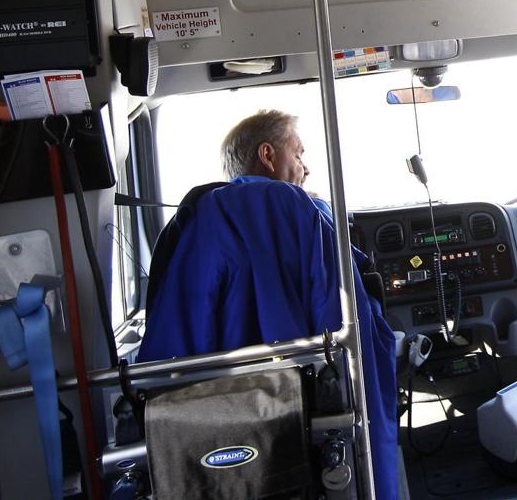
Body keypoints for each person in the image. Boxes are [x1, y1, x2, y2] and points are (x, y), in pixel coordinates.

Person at [138, 110, 399, 500]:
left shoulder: (203, 215)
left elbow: (177, 336)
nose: (305, 168)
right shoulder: (303, 210)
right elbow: (349, 323)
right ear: (268, 155)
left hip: (234, 428)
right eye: (298, 153)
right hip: (313, 411)